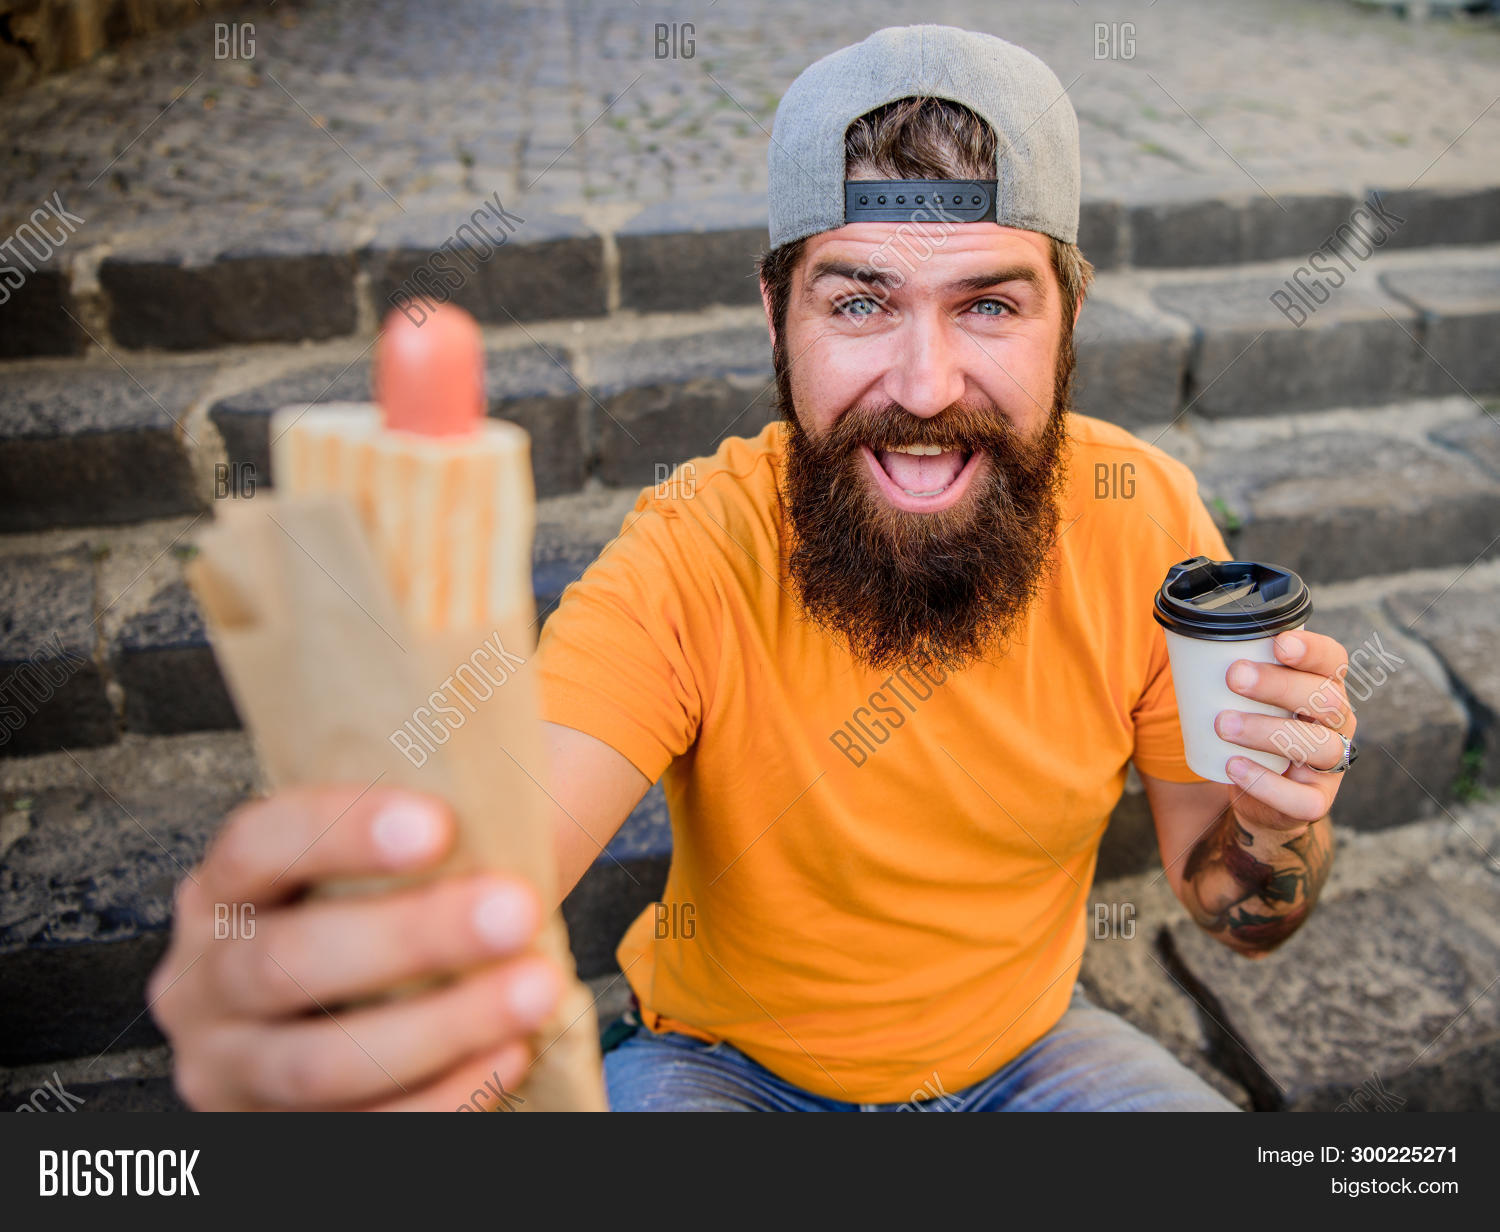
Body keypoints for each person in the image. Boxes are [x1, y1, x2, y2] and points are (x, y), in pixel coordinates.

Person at [149, 26, 1356, 1111]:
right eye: (860, 302)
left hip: (1035, 1055)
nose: (924, 384)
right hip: (720, 1069)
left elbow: (1235, 911)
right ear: (776, 314)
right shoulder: (693, 547)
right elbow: (499, 843)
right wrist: (360, 966)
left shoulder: (1145, 518)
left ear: (1069, 318)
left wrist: (1276, 819)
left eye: (989, 305)